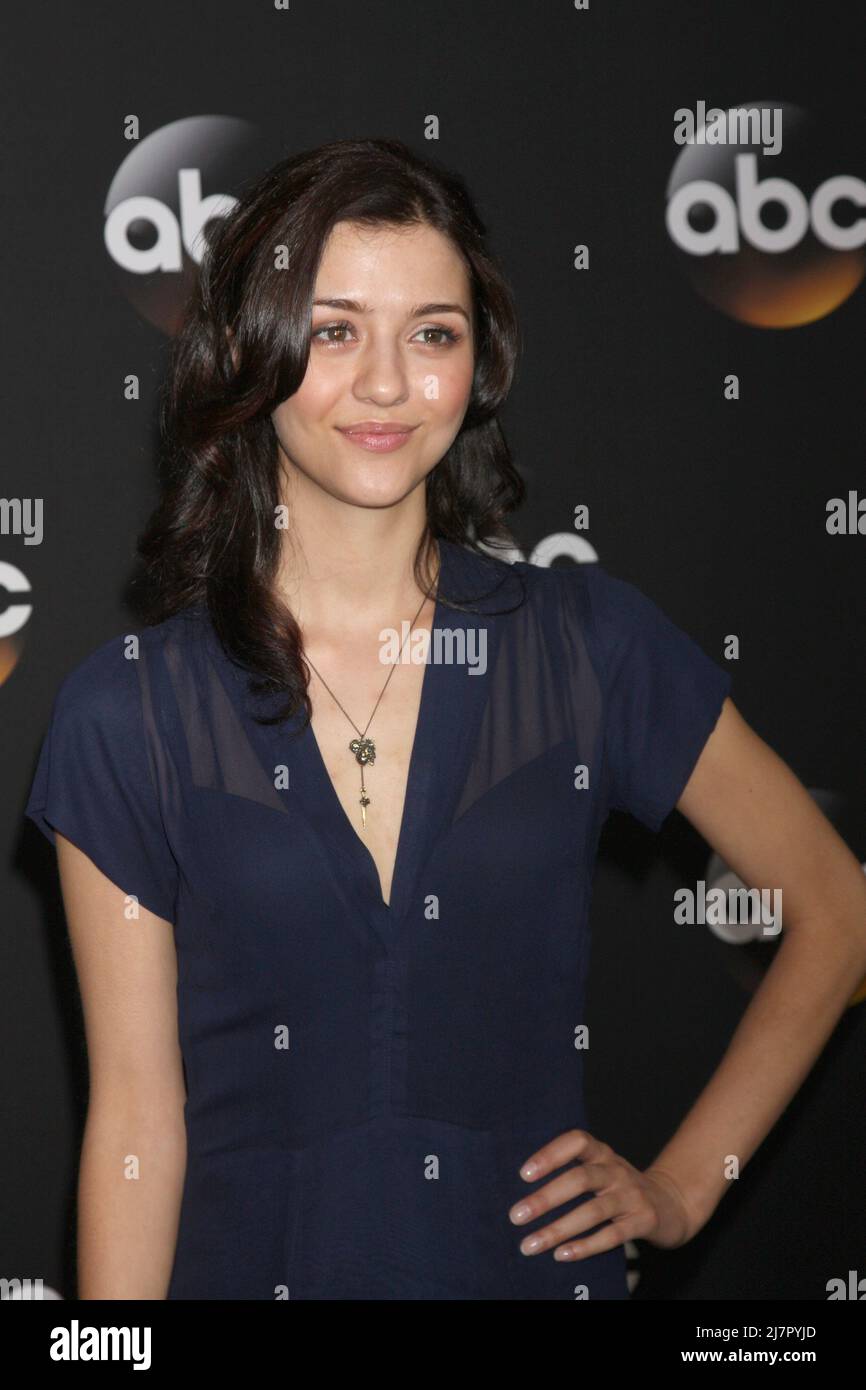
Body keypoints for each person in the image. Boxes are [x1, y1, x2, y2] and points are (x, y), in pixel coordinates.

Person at [25, 137, 866, 1301]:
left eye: (431, 332)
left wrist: (684, 1184)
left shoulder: (584, 645)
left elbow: (837, 908)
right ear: (248, 352)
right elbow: (134, 1122)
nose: (385, 383)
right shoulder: (129, 710)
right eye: (332, 330)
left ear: (478, 359)